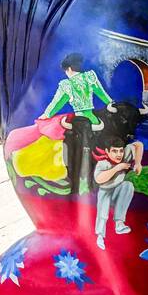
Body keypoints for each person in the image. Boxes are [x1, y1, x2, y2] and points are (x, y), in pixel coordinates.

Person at [40, 54, 117, 195]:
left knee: (69, 147)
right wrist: (110, 103)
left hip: (78, 122)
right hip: (93, 120)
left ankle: (72, 179)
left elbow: (57, 102)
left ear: (68, 69)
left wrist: (46, 115)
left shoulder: (67, 84)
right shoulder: (89, 77)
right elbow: (101, 92)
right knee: (98, 149)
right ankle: (97, 182)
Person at [91, 131, 144, 250]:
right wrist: (117, 168)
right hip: (105, 192)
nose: (118, 154)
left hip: (118, 191)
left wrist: (138, 163)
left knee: (128, 185)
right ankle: (100, 236)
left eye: (120, 150)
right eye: (114, 151)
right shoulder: (103, 164)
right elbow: (99, 179)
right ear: (107, 152)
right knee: (102, 212)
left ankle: (119, 223)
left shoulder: (124, 155)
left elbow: (138, 145)